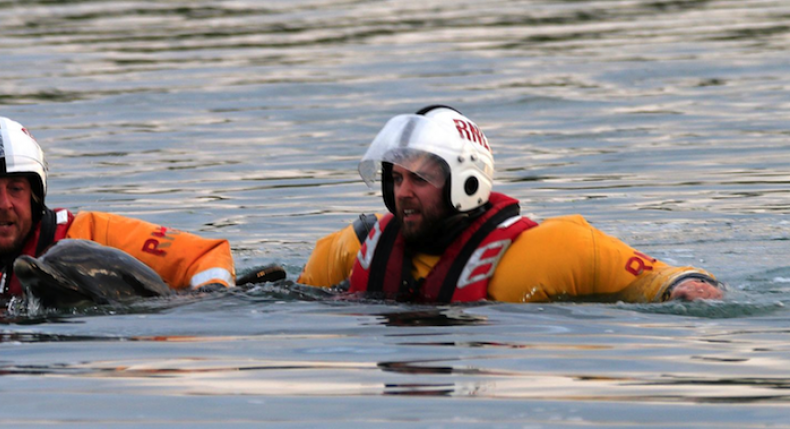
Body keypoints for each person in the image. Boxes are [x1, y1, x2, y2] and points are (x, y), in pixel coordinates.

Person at [297, 105, 723, 303]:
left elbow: (658, 278)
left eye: (420, 178)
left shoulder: (557, 247)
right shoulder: (350, 248)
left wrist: (685, 287)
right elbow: (291, 299)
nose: (403, 192)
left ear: (466, 182)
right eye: (396, 178)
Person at [0, 111, 235, 301]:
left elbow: (206, 255)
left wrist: (208, 300)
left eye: (16, 189)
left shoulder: (91, 234)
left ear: (36, 195)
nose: (5, 204)